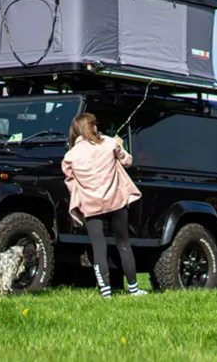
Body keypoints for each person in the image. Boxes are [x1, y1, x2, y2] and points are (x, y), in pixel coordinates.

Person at [61, 113, 146, 297]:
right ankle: (133, 289)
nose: (97, 127)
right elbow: (127, 161)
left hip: (91, 206)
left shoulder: (70, 156)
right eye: (95, 124)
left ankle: (105, 292)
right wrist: (120, 145)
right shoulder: (109, 143)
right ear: (91, 127)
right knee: (123, 244)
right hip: (116, 202)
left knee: (98, 247)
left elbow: (70, 182)